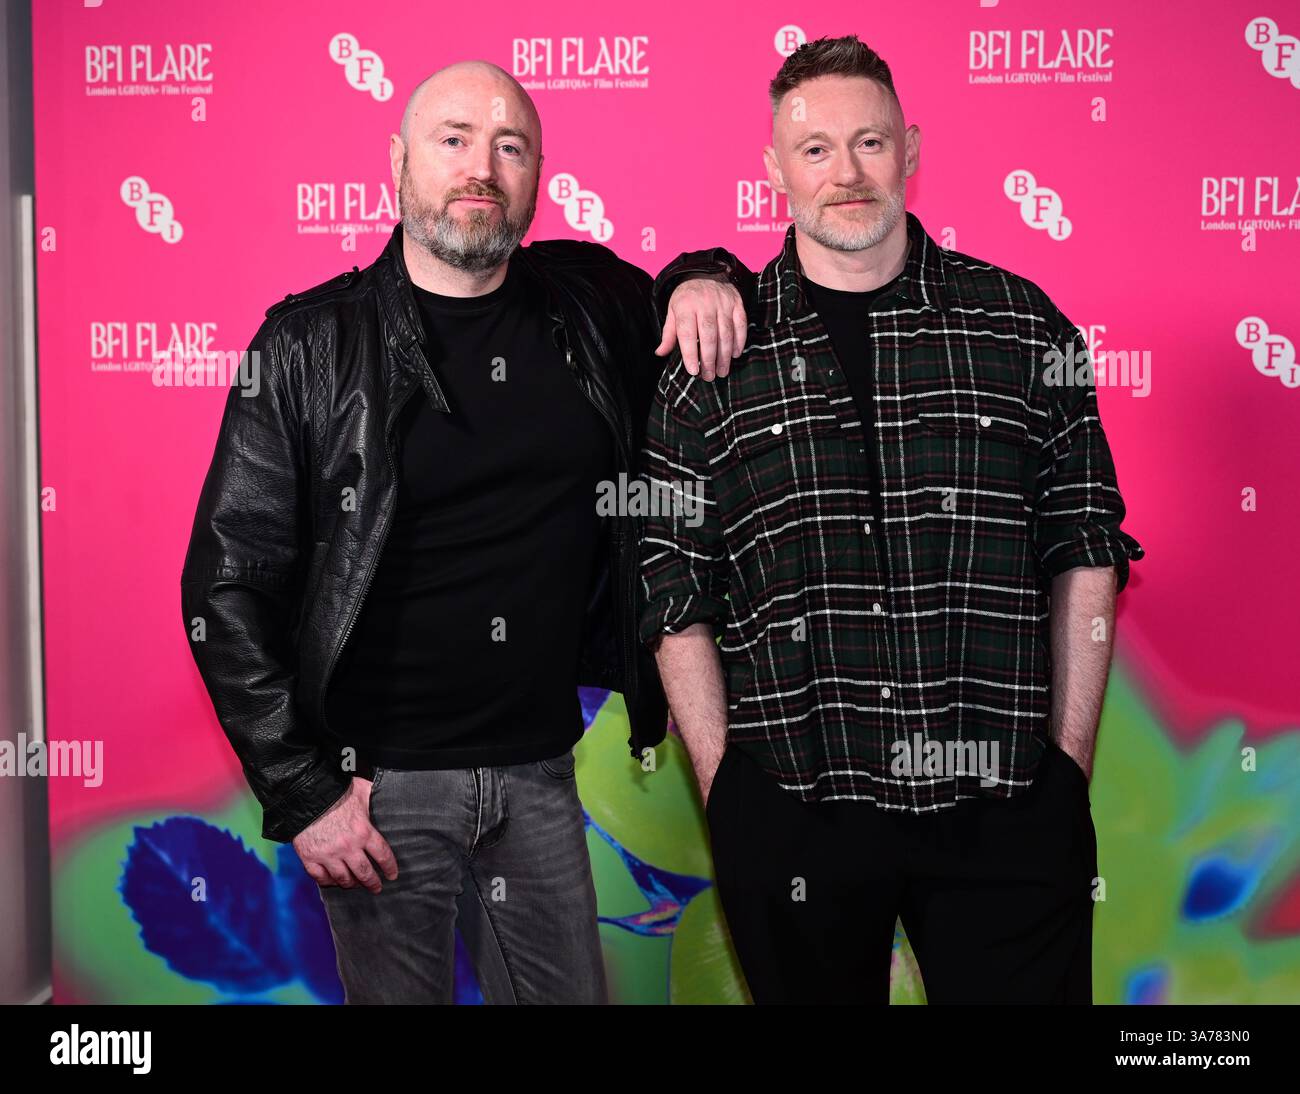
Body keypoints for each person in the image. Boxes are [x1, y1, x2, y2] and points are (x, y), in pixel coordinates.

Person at [180, 60, 750, 1004]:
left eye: (509, 146)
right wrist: (303, 790)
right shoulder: (308, 345)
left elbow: (687, 293)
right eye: (453, 140)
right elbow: (226, 585)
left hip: (538, 771)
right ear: (398, 163)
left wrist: (706, 277)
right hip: (377, 793)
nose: (481, 166)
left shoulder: (589, 303)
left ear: (536, 179)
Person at [640, 34, 1145, 1004]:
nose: (846, 172)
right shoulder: (711, 357)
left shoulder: (1023, 325)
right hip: (793, 800)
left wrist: (1064, 767)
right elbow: (672, 587)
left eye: (868, 142)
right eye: (816, 148)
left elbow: (1084, 544)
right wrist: (727, 791)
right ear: (774, 168)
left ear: (909, 148)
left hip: (1002, 796)